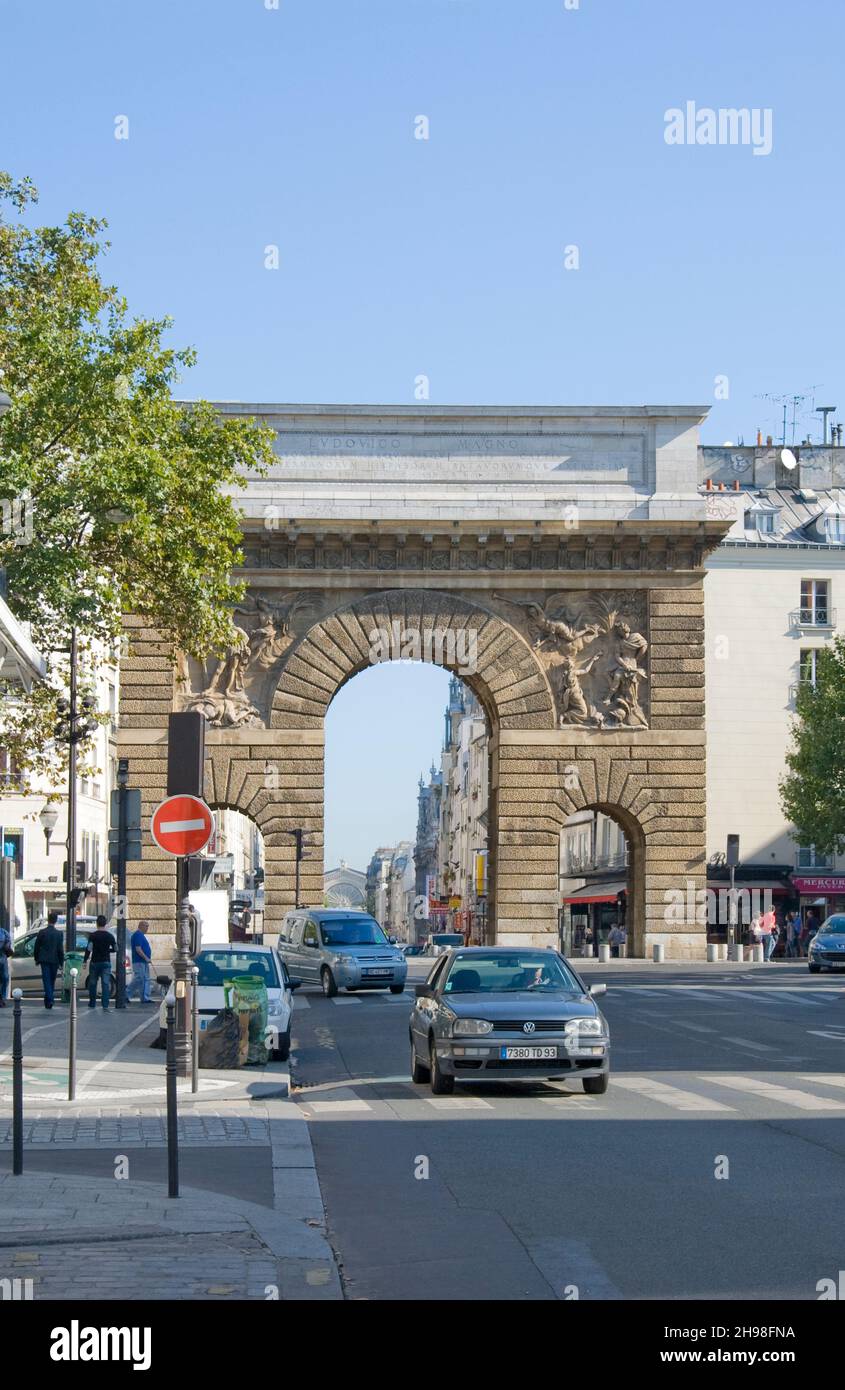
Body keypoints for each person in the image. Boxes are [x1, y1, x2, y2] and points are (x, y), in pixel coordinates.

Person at [84, 913, 117, 1010]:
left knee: (93, 983)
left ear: (96, 924)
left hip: (94, 962)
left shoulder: (93, 936)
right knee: (105, 983)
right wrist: (108, 950)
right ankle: (105, 1005)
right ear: (105, 924)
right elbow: (116, 949)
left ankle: (92, 1003)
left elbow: (89, 949)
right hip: (106, 962)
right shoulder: (110, 936)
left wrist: (85, 960)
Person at [34, 910, 64, 1009]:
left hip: (44, 960)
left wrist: (36, 958)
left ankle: (49, 1000)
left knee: (46, 980)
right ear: (56, 921)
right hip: (55, 960)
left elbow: (36, 947)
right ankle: (49, 1000)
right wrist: (61, 962)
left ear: (48, 920)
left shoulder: (42, 932)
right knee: (51, 980)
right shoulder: (59, 934)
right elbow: (60, 949)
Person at [126, 919, 153, 1003]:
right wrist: (146, 958)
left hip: (143, 961)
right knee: (139, 978)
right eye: (146, 926)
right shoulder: (138, 935)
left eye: (148, 926)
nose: (147, 928)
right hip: (139, 961)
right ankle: (126, 994)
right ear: (140, 926)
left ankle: (144, 997)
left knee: (145, 979)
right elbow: (138, 949)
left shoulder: (140, 935)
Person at [0, 913, 13, 1007]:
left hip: (2, 958)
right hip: (2, 958)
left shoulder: (3, 932)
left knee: (4, 978)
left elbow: (9, 943)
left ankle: (3, 997)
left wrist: (7, 946)